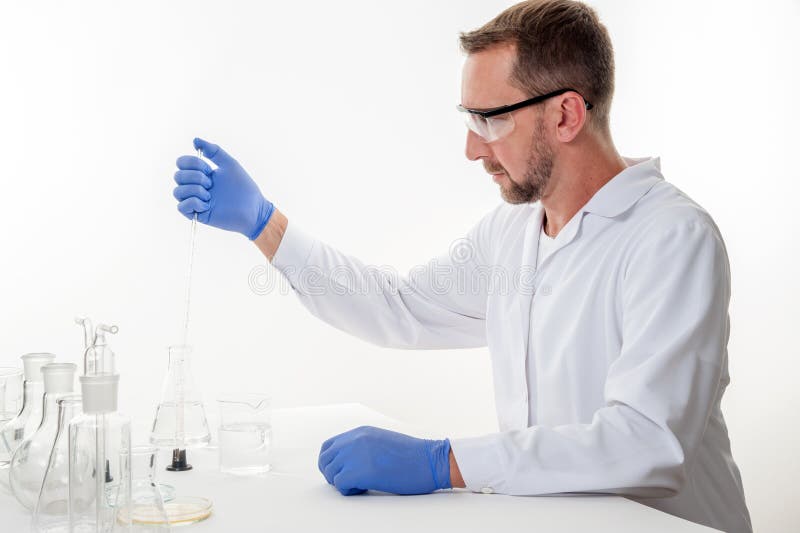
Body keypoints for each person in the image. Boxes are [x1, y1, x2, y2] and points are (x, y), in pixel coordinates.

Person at [171, 1, 751, 531]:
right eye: (469, 119)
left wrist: (443, 462)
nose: (472, 149)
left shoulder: (672, 239)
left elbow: (645, 445)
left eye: (490, 120)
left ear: (567, 115)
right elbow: (400, 307)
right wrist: (264, 225)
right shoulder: (514, 230)